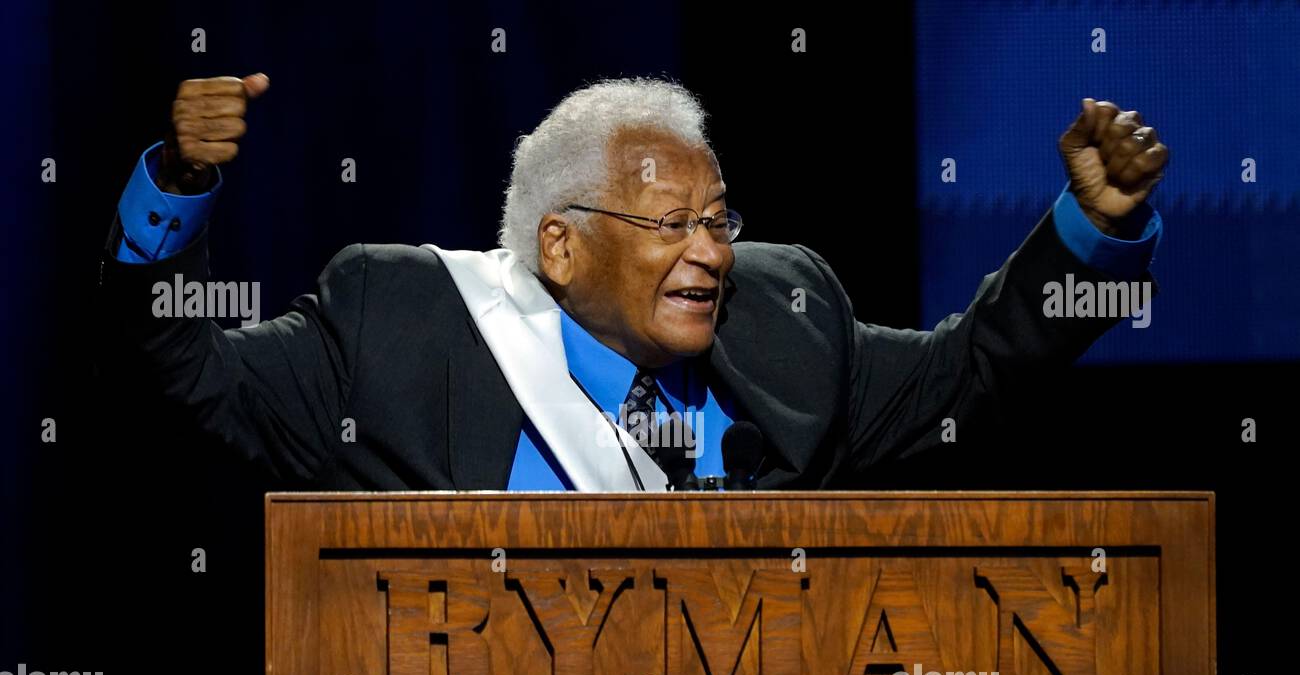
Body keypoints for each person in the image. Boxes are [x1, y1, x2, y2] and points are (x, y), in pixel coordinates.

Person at [98, 74, 1166, 491]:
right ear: (559, 248)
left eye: (717, 218)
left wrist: (1095, 232)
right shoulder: (397, 325)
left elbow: (966, 378)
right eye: (670, 224)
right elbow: (184, 380)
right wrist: (179, 187)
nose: (710, 251)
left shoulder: (784, 316)